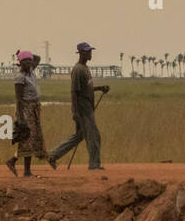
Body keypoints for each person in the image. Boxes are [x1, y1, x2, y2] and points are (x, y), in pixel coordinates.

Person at [47, 42, 109, 170]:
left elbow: (86, 88)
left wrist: (99, 88)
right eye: (87, 51)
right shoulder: (78, 69)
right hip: (83, 109)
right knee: (93, 136)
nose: (90, 54)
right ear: (81, 53)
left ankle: (52, 155)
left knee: (79, 136)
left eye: (90, 51)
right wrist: (75, 111)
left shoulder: (85, 68)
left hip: (87, 108)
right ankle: (94, 165)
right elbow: (74, 92)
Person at [7, 50, 45, 177]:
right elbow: (18, 99)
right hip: (25, 109)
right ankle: (26, 170)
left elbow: (38, 57)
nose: (29, 62)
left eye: (30, 60)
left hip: (34, 108)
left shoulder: (31, 72)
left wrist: (23, 54)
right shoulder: (20, 78)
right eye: (25, 61)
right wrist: (21, 117)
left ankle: (13, 161)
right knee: (27, 139)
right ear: (20, 64)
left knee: (31, 139)